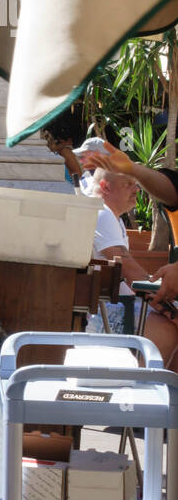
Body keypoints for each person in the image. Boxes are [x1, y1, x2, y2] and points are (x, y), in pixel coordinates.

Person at [81, 141, 178, 367]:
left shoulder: (111, 217)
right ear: (105, 187)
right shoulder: (102, 214)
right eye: (129, 184)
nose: (137, 190)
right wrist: (168, 308)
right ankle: (144, 384)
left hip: (119, 304)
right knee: (164, 325)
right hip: (107, 310)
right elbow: (129, 269)